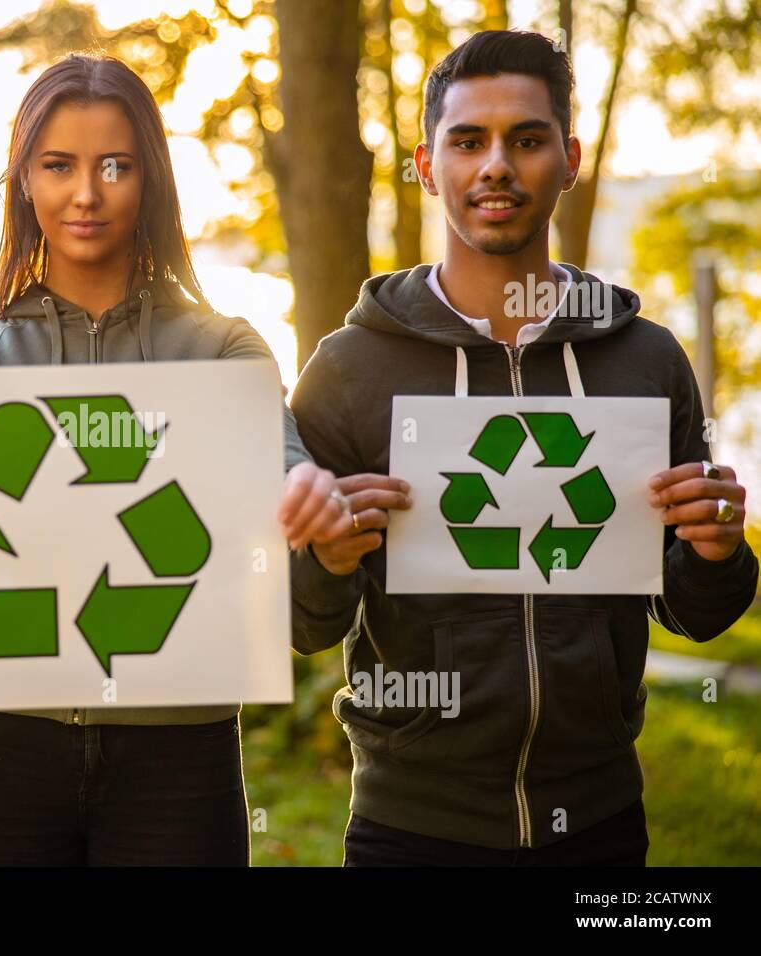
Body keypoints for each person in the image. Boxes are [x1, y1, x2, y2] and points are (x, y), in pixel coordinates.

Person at [0, 54, 354, 866]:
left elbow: (308, 613)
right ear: (23, 180)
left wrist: (323, 536)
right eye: (58, 166)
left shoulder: (223, 354)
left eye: (115, 166)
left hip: (180, 756)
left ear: (151, 179)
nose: (86, 194)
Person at [289, 30, 757, 866]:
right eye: (468, 141)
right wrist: (324, 557)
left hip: (603, 818)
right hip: (409, 828)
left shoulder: (645, 359)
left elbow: (694, 608)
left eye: (527, 139)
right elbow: (300, 623)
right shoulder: (348, 369)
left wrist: (719, 550)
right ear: (427, 166)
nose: (496, 165)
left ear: (569, 159)